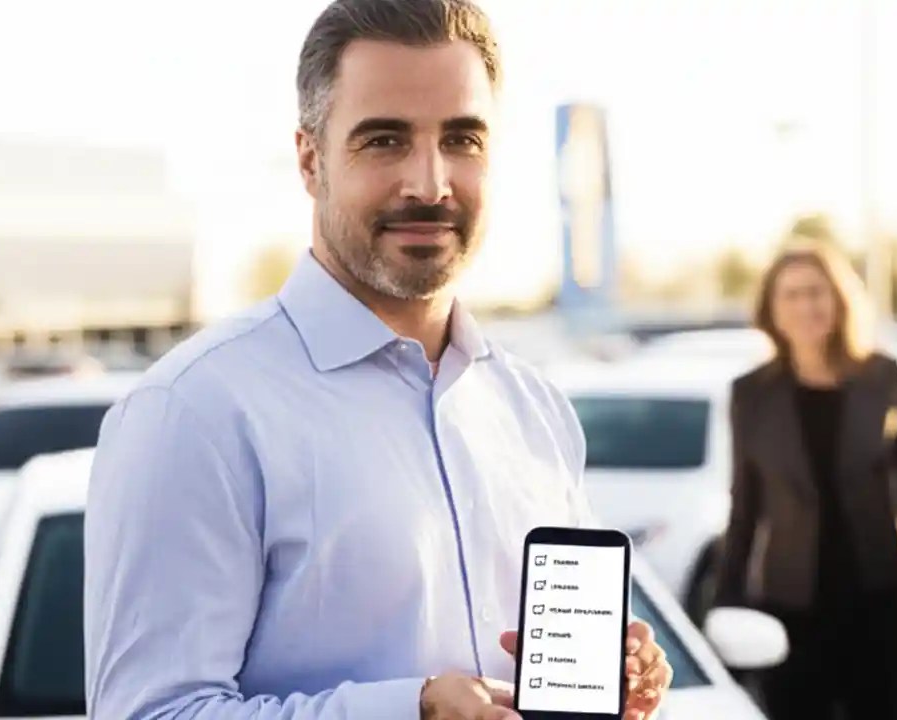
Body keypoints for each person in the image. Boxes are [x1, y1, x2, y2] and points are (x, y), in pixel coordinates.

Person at [82, 1, 673, 719]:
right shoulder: (193, 412)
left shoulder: (533, 409)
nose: (430, 184)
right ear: (311, 160)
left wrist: (612, 677)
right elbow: (150, 713)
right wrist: (409, 710)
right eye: (386, 140)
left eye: (461, 138)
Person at [713, 242, 897, 720]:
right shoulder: (750, 393)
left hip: (877, 596)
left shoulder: (881, 376)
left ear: (840, 300)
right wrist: (725, 603)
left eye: (816, 292)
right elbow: (745, 507)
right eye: (791, 295)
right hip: (788, 603)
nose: (805, 306)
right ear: (772, 310)